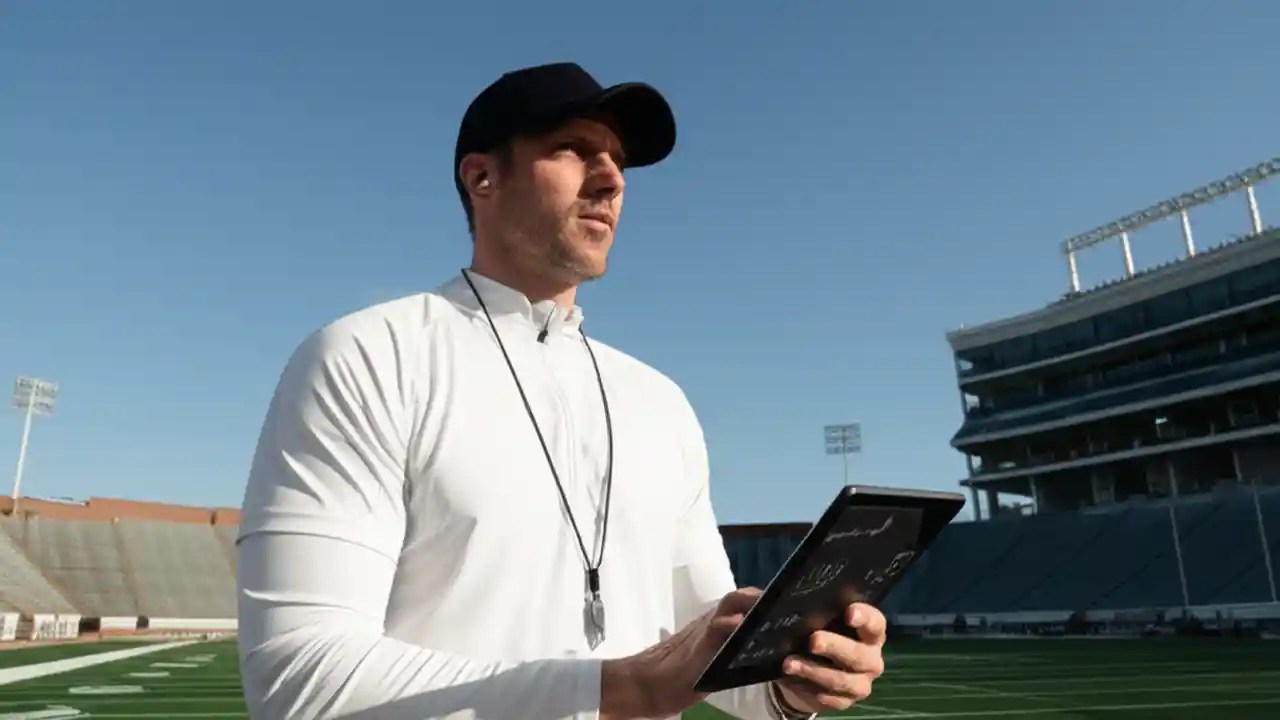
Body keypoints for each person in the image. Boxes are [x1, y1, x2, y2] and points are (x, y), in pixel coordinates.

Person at [234, 61, 887, 720]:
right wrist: (621, 688)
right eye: (573, 149)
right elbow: (299, 680)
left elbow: (707, 646)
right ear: (482, 177)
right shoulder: (369, 356)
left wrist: (789, 676)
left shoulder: (660, 403)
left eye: (618, 161)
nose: (610, 180)